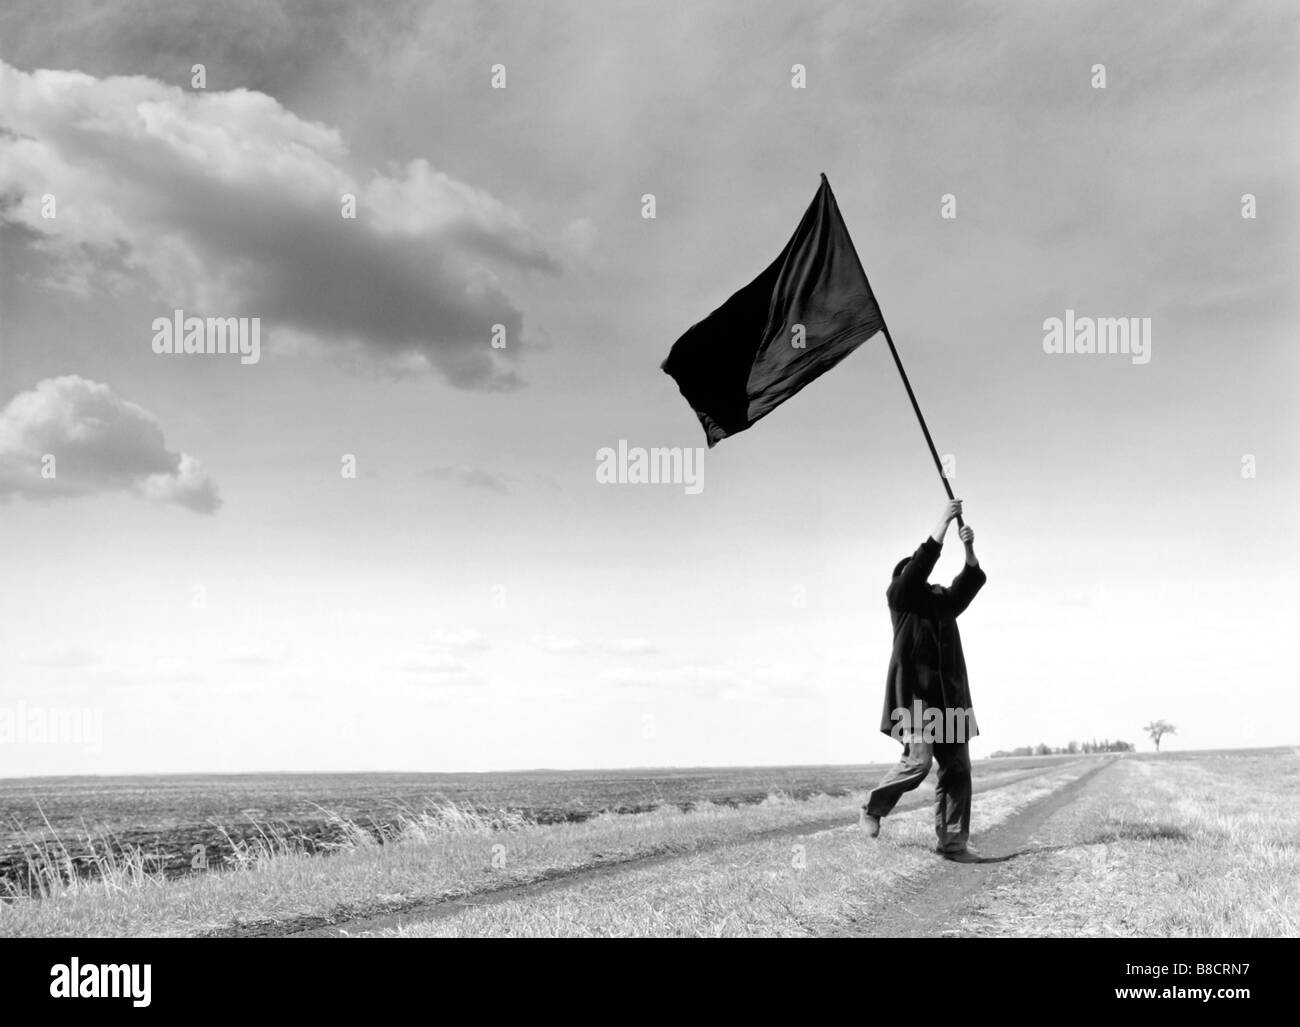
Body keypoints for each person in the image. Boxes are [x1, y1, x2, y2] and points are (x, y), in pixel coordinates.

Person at [860, 499, 987, 862]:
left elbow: (969, 583)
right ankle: (872, 807)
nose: (922, 579)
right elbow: (919, 566)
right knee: (918, 762)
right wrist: (943, 522)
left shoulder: (942, 602)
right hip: (914, 700)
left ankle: (952, 844)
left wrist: (968, 547)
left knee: (958, 769)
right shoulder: (900, 598)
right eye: (915, 572)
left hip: (951, 700)